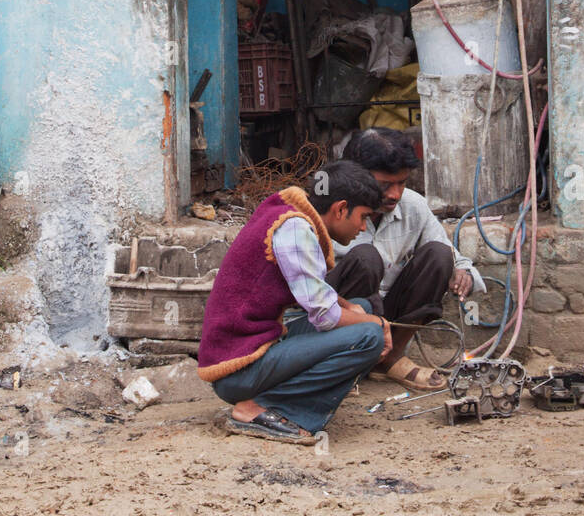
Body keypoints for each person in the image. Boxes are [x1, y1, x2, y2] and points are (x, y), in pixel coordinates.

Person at [197, 159, 392, 445]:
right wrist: (380, 323)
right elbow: (325, 316)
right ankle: (260, 409)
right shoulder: (295, 229)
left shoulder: (289, 215)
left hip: (255, 350)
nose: (363, 227)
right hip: (238, 369)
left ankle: (278, 400)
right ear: (340, 209)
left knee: (362, 305)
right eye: (363, 217)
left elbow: (313, 291)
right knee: (369, 336)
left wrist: (353, 308)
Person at [329, 126, 486, 394]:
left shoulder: (413, 205)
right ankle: (346, 360)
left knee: (438, 255)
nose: (395, 194)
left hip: (391, 317)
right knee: (366, 259)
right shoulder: (330, 208)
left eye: (402, 183)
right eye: (385, 185)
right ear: (357, 176)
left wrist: (462, 271)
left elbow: (446, 251)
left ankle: (389, 358)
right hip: (343, 314)